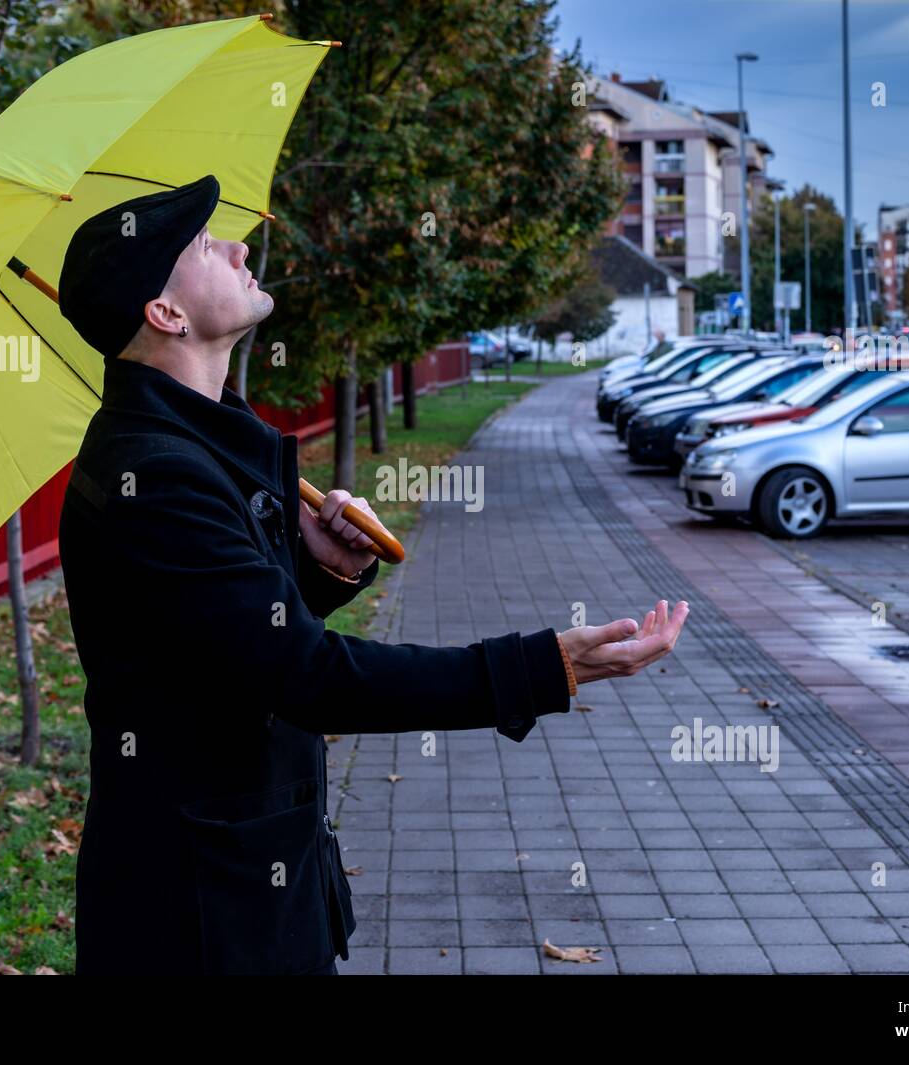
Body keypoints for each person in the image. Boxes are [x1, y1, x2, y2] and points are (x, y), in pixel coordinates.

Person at [55, 174, 690, 975]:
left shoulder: (197, 446)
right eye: (205, 246)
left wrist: (317, 574)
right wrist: (542, 666)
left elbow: (216, 645)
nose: (240, 244)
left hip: (250, 885)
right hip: (200, 917)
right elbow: (307, 678)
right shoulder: (153, 474)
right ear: (166, 313)